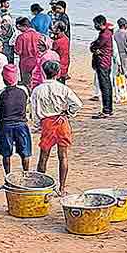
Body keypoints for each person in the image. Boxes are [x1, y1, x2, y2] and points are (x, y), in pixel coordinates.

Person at [31, 59, 83, 189]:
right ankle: (62, 187)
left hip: (47, 123)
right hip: (61, 121)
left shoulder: (37, 90)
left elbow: (34, 111)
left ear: (44, 72)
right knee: (63, 156)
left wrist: (38, 125)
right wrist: (68, 112)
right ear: (58, 73)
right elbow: (77, 104)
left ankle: (40, 186)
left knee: (43, 156)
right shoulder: (63, 89)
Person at [0, 64, 32, 174]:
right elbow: (27, 104)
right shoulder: (24, 90)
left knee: (6, 154)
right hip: (21, 124)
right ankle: (26, 173)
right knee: (25, 153)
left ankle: (8, 175)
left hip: (6, 125)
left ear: (3, 78)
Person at [89, 15, 114, 118]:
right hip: (105, 62)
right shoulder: (107, 31)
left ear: (100, 24)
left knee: (105, 86)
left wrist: (93, 47)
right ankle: (108, 109)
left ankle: (106, 110)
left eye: (96, 24)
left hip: (103, 63)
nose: (95, 26)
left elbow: (95, 46)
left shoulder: (104, 35)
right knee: (106, 85)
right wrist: (94, 47)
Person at [13, 17, 43, 86]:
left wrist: (13, 48)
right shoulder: (39, 35)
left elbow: (18, 51)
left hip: (25, 63)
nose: (18, 29)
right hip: (37, 62)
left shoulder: (21, 37)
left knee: (26, 83)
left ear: (24, 26)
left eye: (19, 27)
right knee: (36, 82)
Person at [114, 17, 127, 102]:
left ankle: (120, 92)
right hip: (126, 56)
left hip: (118, 55)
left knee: (119, 75)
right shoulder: (126, 33)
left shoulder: (115, 33)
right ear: (124, 25)